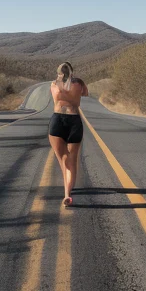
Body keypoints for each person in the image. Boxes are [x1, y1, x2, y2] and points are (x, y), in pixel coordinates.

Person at [48, 61, 89, 206]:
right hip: (74, 120)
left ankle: (67, 191)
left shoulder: (53, 85)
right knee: (72, 158)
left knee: (63, 159)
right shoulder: (79, 84)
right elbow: (86, 93)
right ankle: (68, 193)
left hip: (58, 119)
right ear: (72, 72)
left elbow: (54, 96)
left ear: (59, 73)